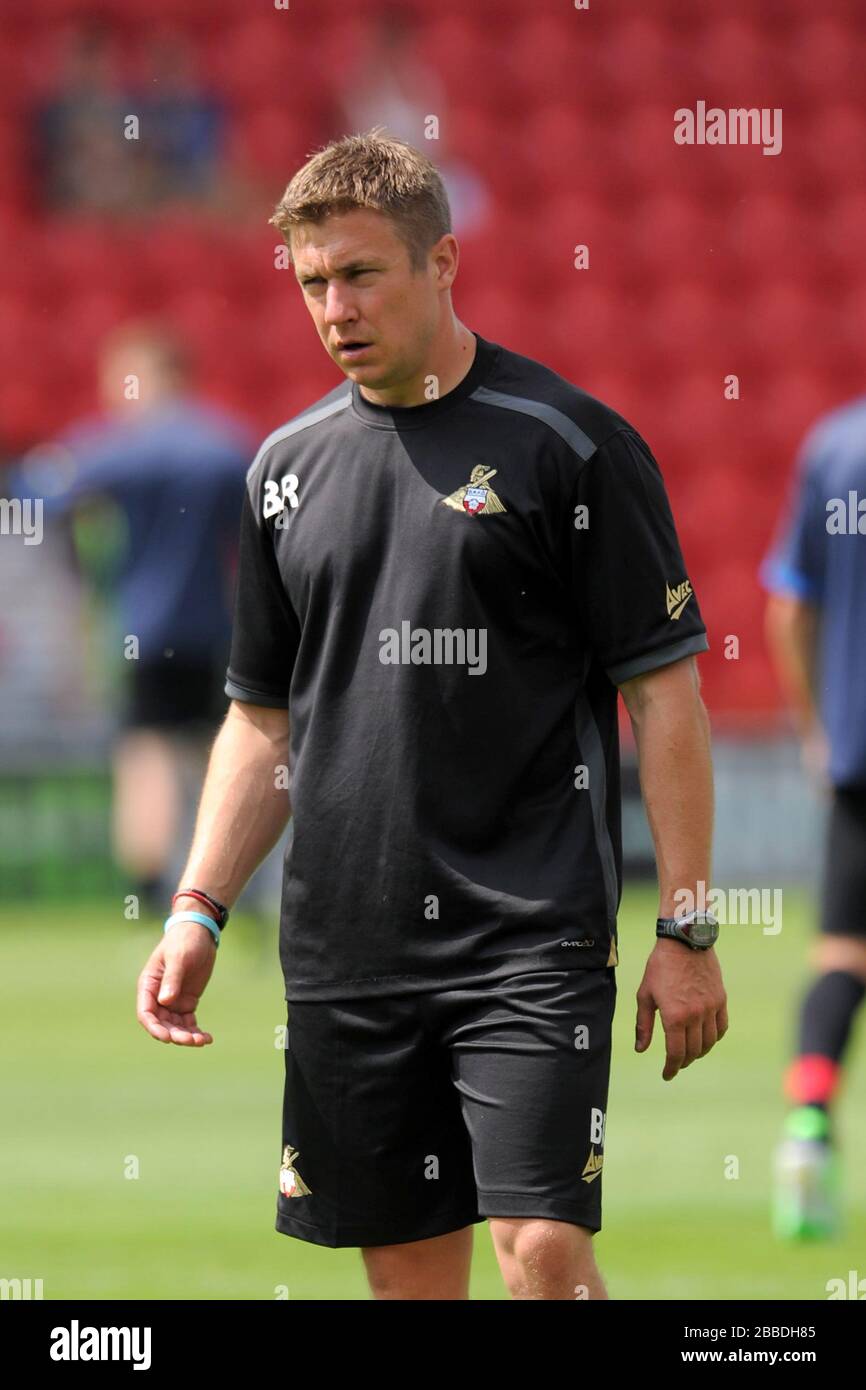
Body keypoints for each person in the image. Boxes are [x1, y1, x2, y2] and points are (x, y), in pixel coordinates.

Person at [136, 130, 727, 1301]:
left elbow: (663, 694)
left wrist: (688, 927)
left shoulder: (570, 447)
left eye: (361, 274)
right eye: (312, 282)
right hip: (349, 946)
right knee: (411, 1286)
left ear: (442, 261)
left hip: (529, 934)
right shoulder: (283, 470)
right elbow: (262, 723)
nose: (333, 308)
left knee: (543, 1257)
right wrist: (199, 905)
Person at [17, 321, 254, 913]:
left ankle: (149, 890)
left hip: (142, 631)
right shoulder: (225, 446)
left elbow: (36, 496)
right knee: (214, 749)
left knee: (145, 750)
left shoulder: (111, 449)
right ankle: (223, 878)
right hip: (216, 628)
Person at [762, 395, 866, 1239]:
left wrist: (817, 732)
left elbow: (789, 607)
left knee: (842, 952)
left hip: (856, 753)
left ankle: (808, 1129)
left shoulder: (835, 445)